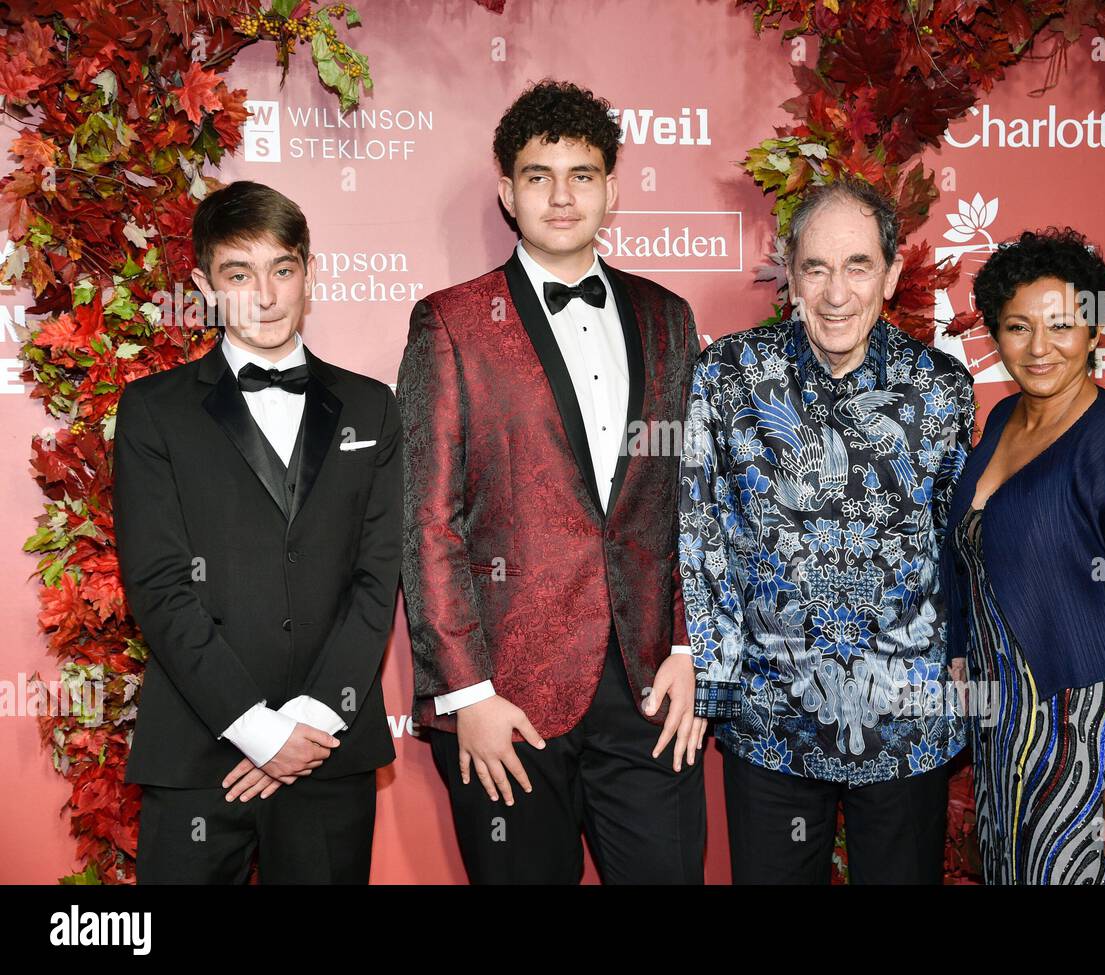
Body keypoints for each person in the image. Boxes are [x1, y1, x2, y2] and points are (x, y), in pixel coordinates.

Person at [398, 79, 705, 884]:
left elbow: (689, 499)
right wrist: (467, 696)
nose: (562, 196)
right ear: (507, 190)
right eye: (538, 176)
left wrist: (685, 642)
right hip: (509, 703)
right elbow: (428, 521)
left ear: (611, 186)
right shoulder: (452, 323)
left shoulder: (669, 316)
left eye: (582, 174)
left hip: (648, 691)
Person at [680, 179, 975, 884]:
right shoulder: (729, 375)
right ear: (791, 273)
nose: (836, 291)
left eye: (858, 265)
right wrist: (718, 679)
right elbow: (701, 528)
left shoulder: (941, 388)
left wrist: (962, 675)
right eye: (816, 267)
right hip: (772, 720)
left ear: (893, 273)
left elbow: (957, 546)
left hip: (909, 723)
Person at [114, 180, 403, 883]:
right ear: (204, 284)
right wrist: (258, 729)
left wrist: (308, 725)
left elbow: (378, 576)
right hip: (198, 748)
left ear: (309, 272)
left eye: (283, 269)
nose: (266, 295)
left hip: (328, 750)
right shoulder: (154, 411)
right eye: (239, 274)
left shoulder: (372, 405)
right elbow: (158, 586)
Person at [941, 227, 1105, 884]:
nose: (1038, 348)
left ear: (1094, 329)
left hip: (1095, 741)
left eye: (1060, 325)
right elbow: (971, 559)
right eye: (1017, 326)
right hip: (1009, 737)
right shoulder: (1003, 420)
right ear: (995, 335)